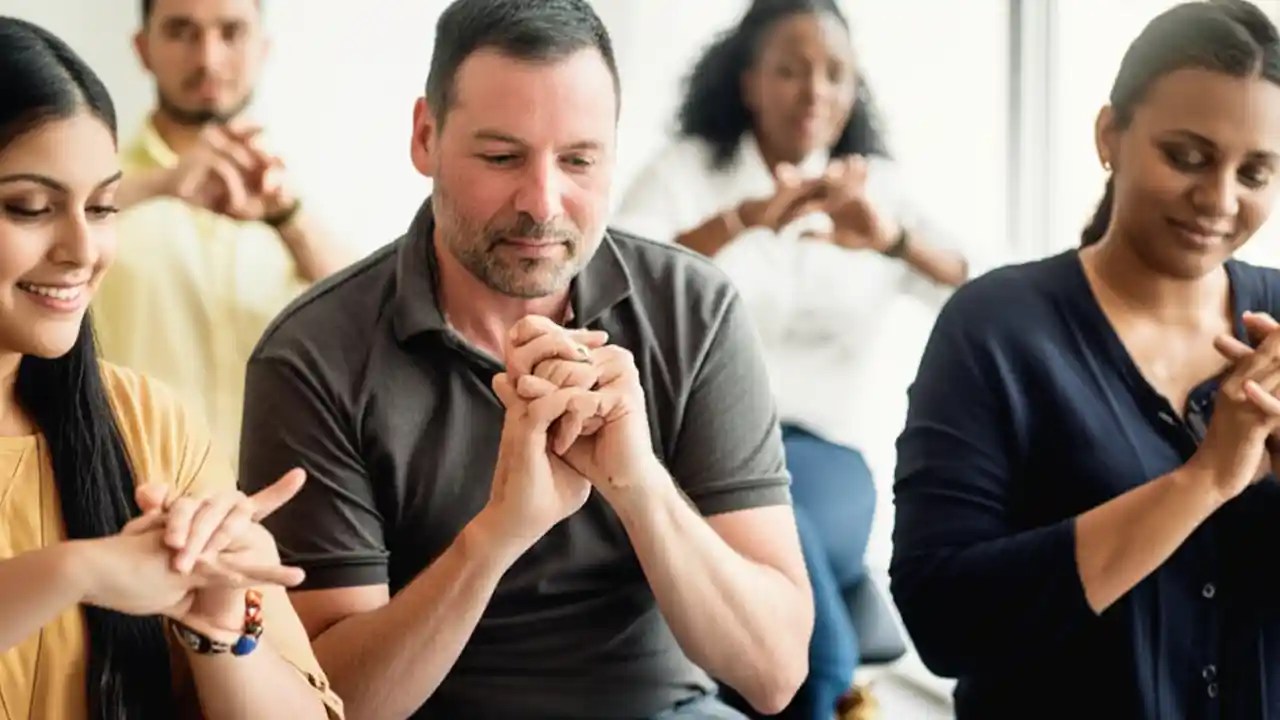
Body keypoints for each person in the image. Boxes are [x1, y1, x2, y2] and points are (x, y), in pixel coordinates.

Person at [236, 0, 815, 718]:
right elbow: (332, 705)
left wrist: (639, 485)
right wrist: (497, 535)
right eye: (501, 157)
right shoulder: (312, 355)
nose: (543, 203)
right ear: (426, 137)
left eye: (578, 160)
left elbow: (774, 671)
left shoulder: (694, 309)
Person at [890, 1, 1280, 718]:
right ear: (1111, 136)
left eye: (1254, 174)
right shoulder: (995, 329)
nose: (1218, 200)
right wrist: (1205, 480)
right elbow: (942, 619)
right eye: (1187, 157)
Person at [614, 1, 976, 717]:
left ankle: (826, 674)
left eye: (836, 74)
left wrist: (891, 239)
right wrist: (746, 218)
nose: (815, 92)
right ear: (749, 81)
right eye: (790, 70)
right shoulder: (690, 170)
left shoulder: (877, 189)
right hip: (692, 451)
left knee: (809, 638)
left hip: (822, 459)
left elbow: (981, 295)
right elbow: (617, 278)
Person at [0, 15, 343, 720]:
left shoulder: (150, 425)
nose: (81, 249)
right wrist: (76, 570)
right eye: (30, 207)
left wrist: (217, 629)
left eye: (102, 207)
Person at [91, 0, 351, 458]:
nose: (208, 58)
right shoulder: (94, 188)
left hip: (282, 508)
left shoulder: (318, 190)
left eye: (231, 32)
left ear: (263, 48)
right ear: (142, 48)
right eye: (181, 32)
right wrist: (163, 184)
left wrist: (287, 219)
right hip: (133, 501)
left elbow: (373, 320)